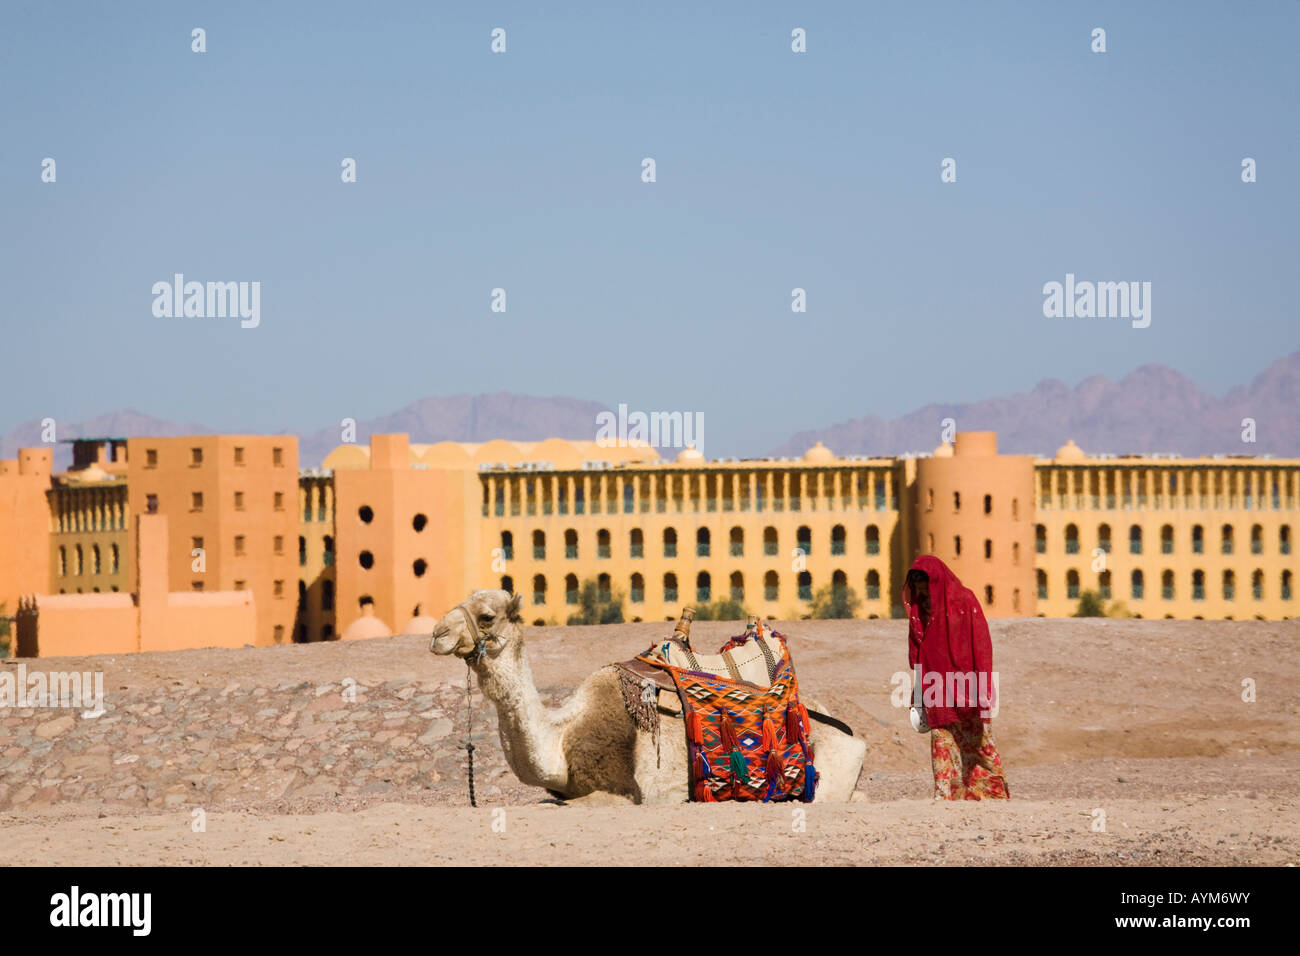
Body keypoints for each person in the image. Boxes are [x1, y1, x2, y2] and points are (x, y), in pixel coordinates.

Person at [902, 555, 1009, 800]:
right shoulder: (920, 610)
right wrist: (918, 690)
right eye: (917, 588)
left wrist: (982, 685)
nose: (921, 594)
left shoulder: (964, 600)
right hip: (935, 686)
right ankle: (947, 795)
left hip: (966, 683)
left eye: (925, 588)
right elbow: (917, 649)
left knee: (979, 743)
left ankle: (991, 794)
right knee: (942, 740)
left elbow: (981, 644)